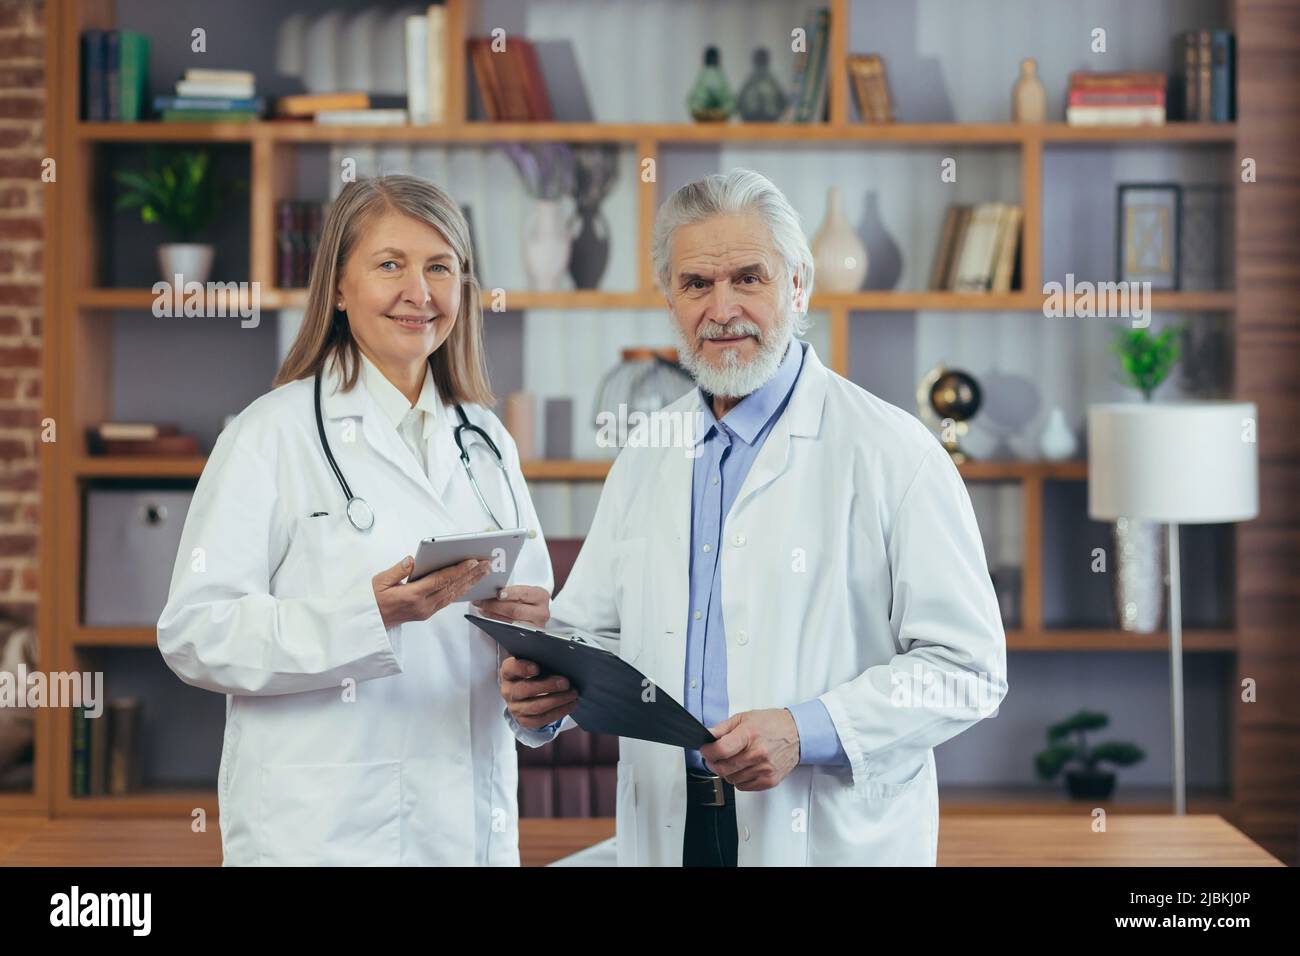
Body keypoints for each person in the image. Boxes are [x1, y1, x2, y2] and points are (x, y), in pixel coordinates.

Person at [500, 168, 1008, 866]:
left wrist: (808, 729)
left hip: (824, 836)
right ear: (669, 300)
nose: (722, 308)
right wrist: (545, 690)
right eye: (696, 284)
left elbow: (966, 669)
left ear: (798, 286)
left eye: (749, 277)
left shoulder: (894, 453)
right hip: (671, 832)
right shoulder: (649, 452)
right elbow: (596, 633)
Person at [158, 174, 552, 865]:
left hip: (468, 831)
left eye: (440, 267)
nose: (420, 292)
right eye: (390, 265)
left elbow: (537, 626)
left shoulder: (486, 441)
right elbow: (195, 632)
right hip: (322, 835)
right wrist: (366, 617)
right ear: (338, 288)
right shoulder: (269, 435)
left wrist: (540, 676)